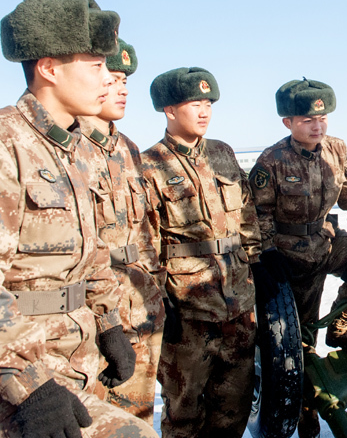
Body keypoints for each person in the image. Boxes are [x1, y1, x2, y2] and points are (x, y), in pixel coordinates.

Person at [0, 0, 158, 437]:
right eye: (96, 66)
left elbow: (93, 253)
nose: (109, 79)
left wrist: (109, 326)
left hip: (70, 357)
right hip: (1, 374)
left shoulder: (73, 147)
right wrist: (30, 387)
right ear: (48, 68)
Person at [250, 78, 347, 438]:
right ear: (288, 123)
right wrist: (267, 252)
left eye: (322, 119)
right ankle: (307, 414)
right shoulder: (271, 160)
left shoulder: (336, 149)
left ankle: (340, 328)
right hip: (290, 254)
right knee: (301, 341)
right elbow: (256, 213)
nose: (317, 126)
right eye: (307, 120)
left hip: (326, 240)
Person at [141, 66, 260, 438]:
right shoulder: (149, 166)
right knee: (184, 413)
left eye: (209, 103)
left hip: (237, 306)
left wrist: (259, 261)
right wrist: (159, 300)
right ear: (170, 110)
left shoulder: (223, 154)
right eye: (195, 103)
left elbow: (247, 214)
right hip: (188, 312)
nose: (205, 111)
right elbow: (145, 243)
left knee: (234, 408)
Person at [79, 38, 165, 424]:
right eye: (112, 78)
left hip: (141, 305)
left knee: (140, 416)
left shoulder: (127, 148)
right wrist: (106, 322)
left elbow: (145, 231)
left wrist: (159, 293)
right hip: (96, 318)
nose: (122, 89)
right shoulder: (69, 147)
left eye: (125, 81)